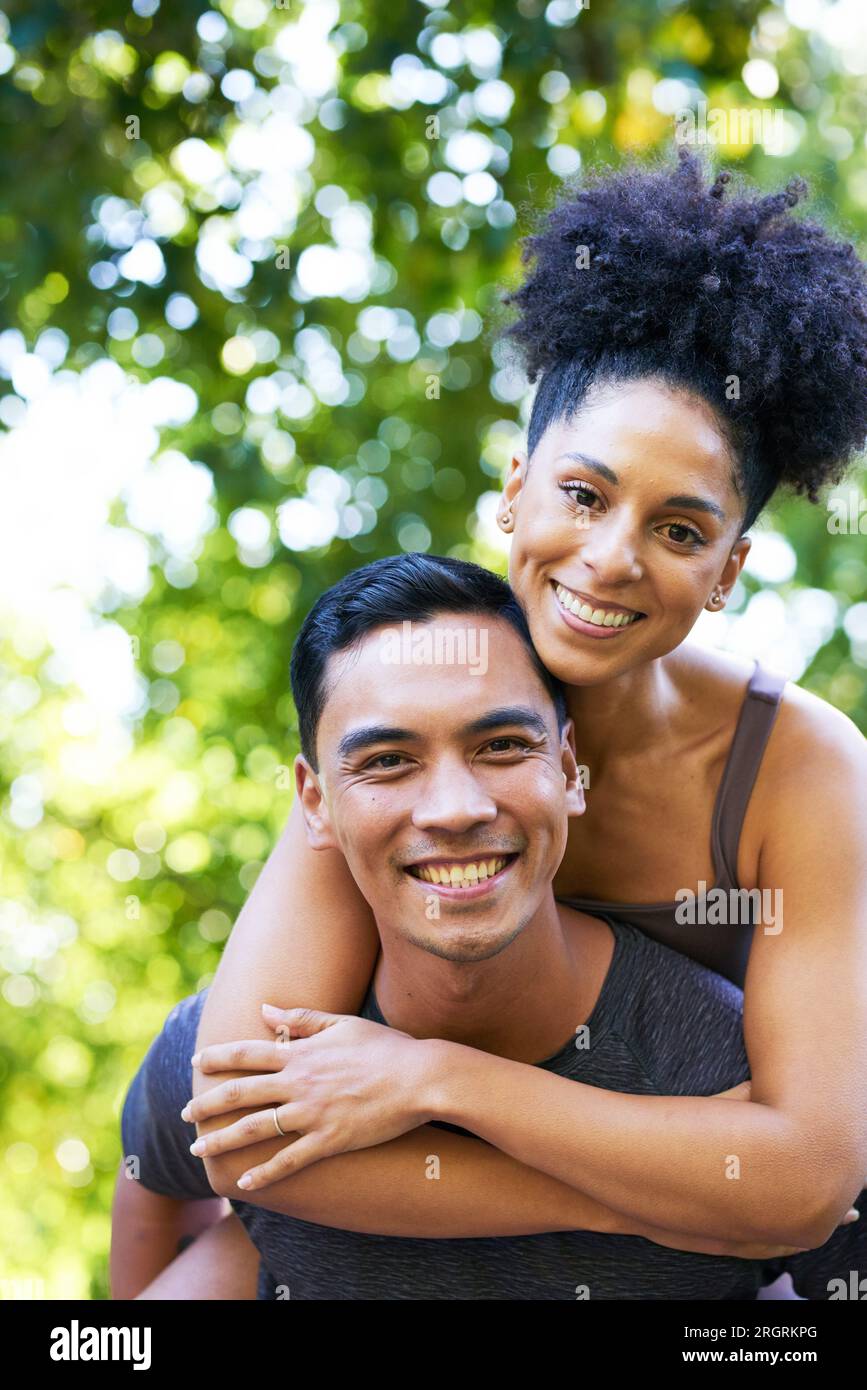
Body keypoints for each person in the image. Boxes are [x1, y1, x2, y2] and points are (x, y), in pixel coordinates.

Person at [189, 150, 867, 1259]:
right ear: (515, 491)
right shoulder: (404, 696)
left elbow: (805, 1181)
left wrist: (440, 1078)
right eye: (584, 494)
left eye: (680, 530)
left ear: (731, 570)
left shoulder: (798, 768)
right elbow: (239, 1130)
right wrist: (648, 1199)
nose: (611, 560)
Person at [116, 556, 865, 1299]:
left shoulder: (735, 1080)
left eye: (501, 746)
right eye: (387, 761)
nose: (454, 808)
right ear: (314, 803)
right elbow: (153, 1188)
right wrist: (632, 1205)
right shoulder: (258, 1061)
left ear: (570, 770)